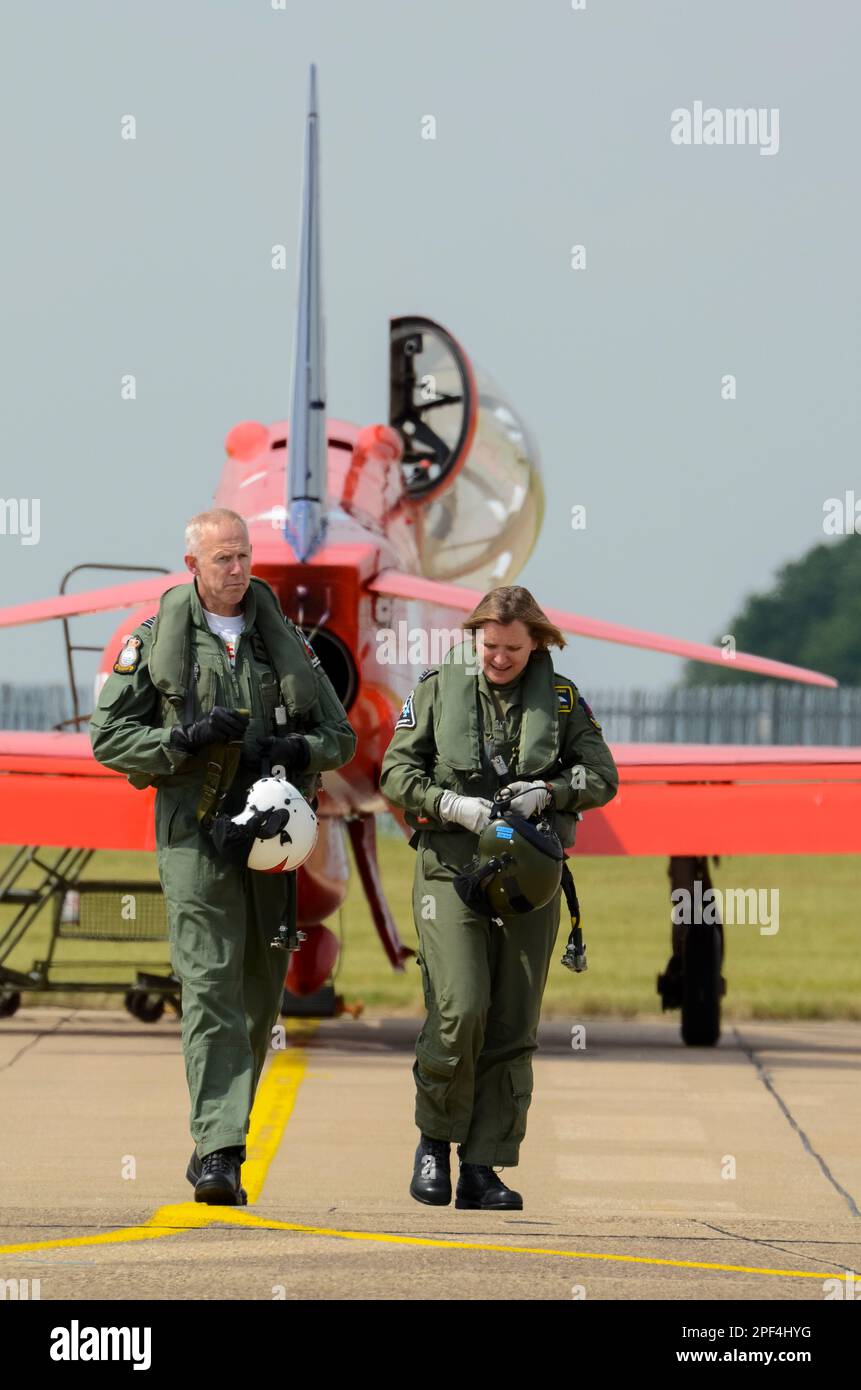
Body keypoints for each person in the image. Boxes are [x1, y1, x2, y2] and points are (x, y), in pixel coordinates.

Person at [90, 508, 356, 1204]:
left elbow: (339, 735)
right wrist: (178, 744)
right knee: (208, 984)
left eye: (243, 557)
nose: (236, 570)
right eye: (222, 560)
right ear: (193, 568)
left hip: (271, 835)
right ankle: (219, 1149)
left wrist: (296, 749)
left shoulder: (285, 644)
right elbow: (109, 737)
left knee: (260, 992)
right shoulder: (155, 644)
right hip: (194, 833)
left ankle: (222, 1132)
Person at [380, 585, 618, 1211]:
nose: (500, 659)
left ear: (536, 642)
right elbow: (395, 772)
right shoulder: (435, 688)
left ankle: (483, 1166)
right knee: (460, 1008)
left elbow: (602, 777)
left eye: (514, 648)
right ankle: (434, 1140)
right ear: (474, 637)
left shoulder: (562, 701)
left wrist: (551, 791)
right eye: (490, 646)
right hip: (450, 874)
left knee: (513, 1023)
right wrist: (448, 804)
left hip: (526, 883)